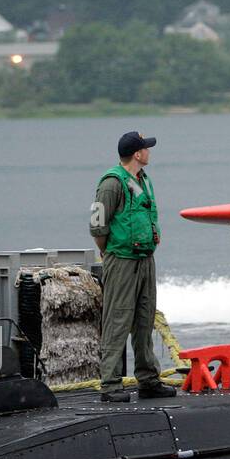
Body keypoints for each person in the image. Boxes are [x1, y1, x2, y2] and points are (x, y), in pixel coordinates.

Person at [90, 132, 176, 402]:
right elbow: (97, 225)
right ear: (137, 154)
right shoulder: (111, 184)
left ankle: (148, 379)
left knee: (143, 320)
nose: (149, 152)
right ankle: (111, 384)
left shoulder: (141, 180)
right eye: (146, 149)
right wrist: (108, 251)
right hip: (122, 259)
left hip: (145, 259)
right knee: (118, 320)